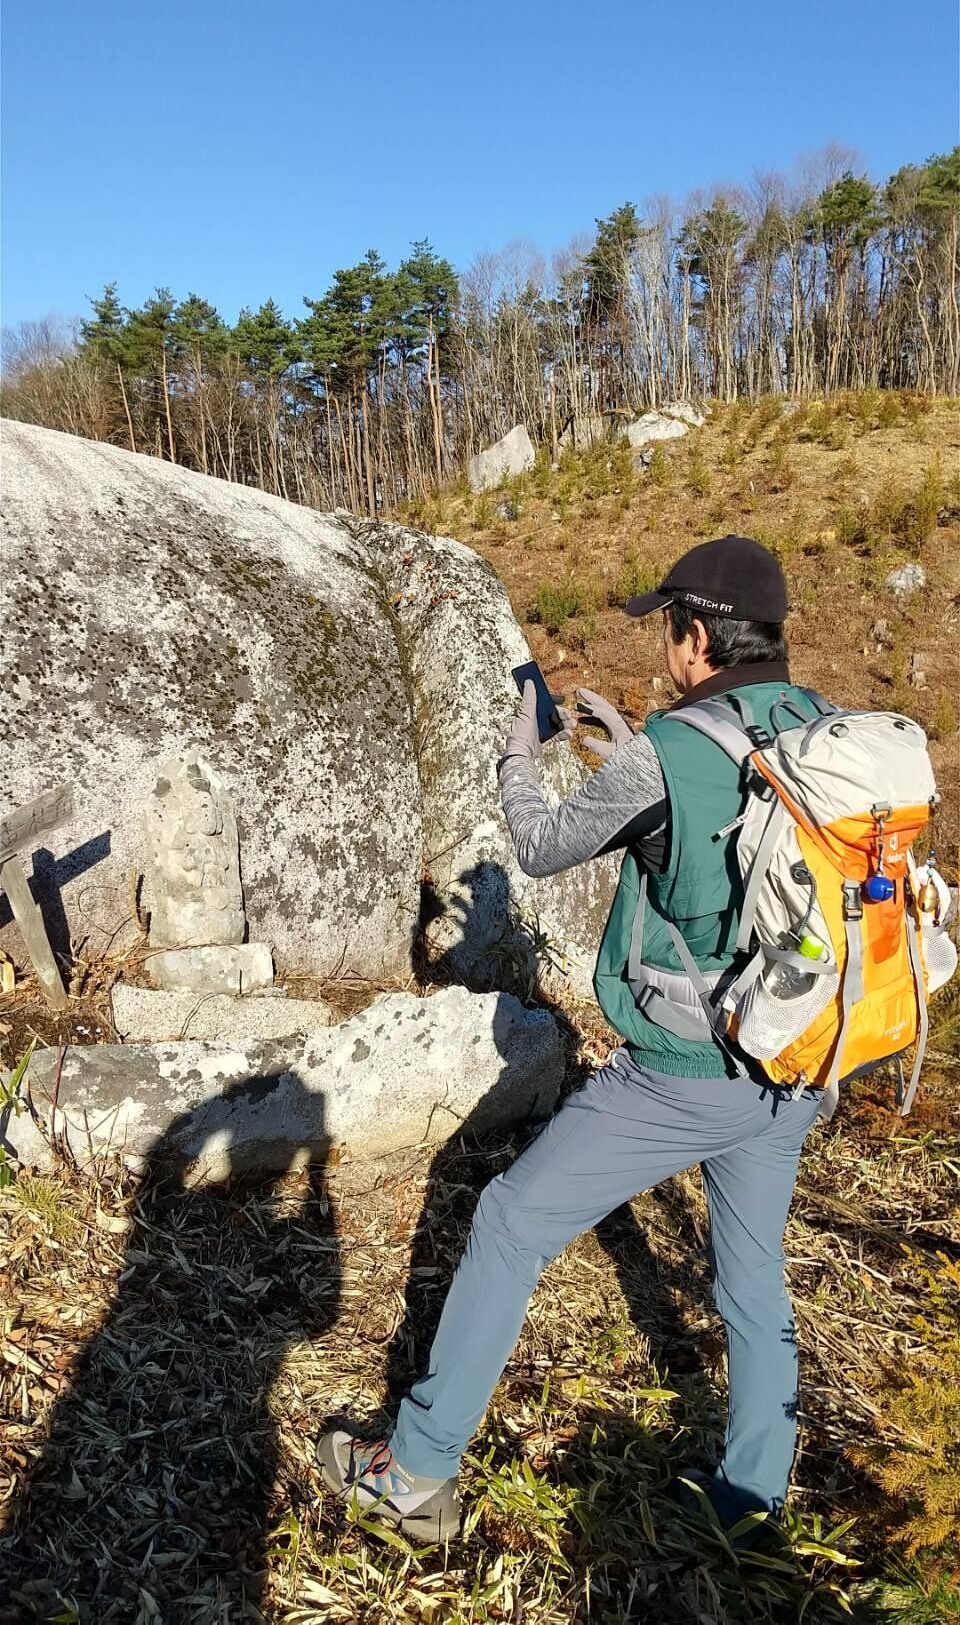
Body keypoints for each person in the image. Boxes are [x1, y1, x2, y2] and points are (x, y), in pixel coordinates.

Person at [317, 535, 827, 1545]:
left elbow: (545, 844)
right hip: (796, 1058)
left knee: (509, 1218)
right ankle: (753, 1496)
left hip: (688, 1068)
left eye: (667, 627)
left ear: (692, 634)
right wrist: (636, 743)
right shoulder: (816, 722)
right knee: (751, 1277)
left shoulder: (674, 749)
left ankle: (414, 1474)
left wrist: (524, 748)